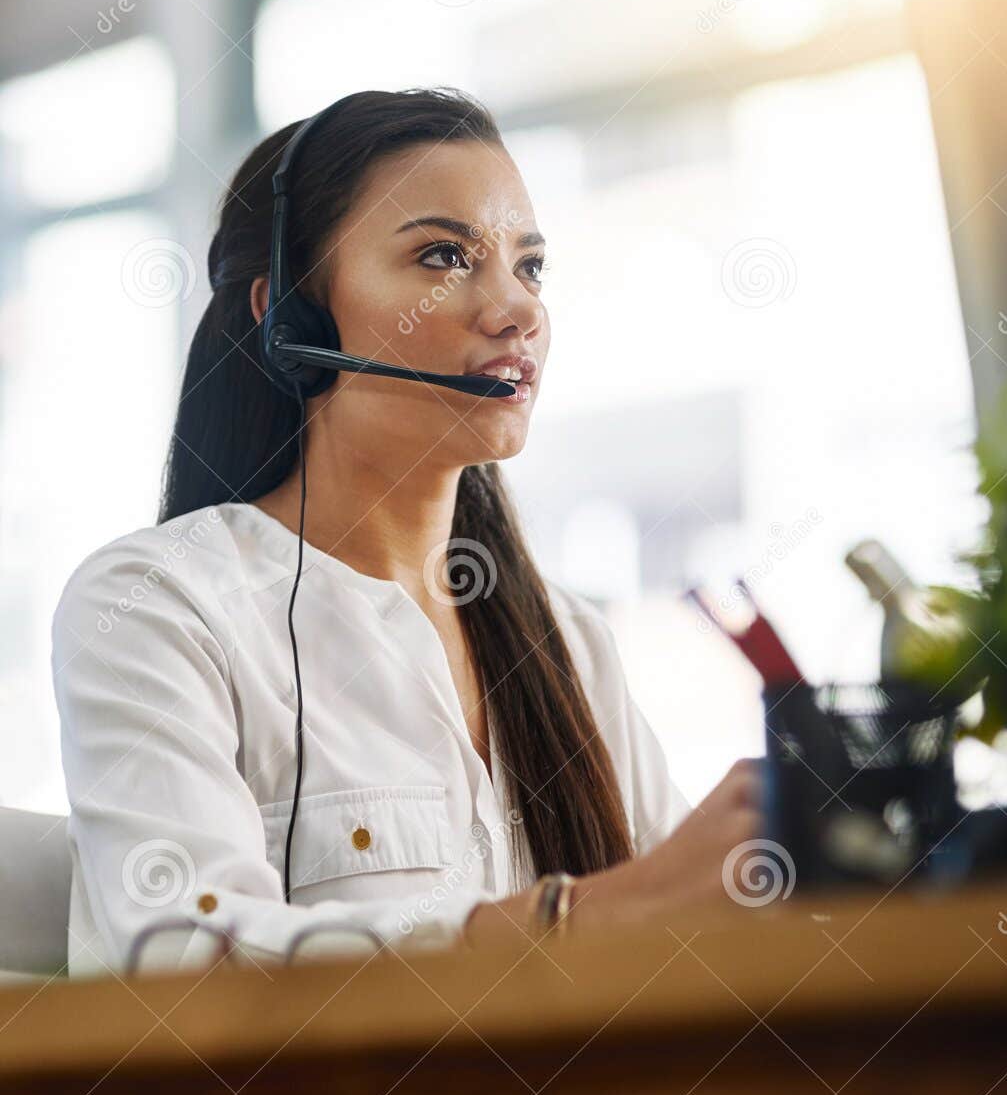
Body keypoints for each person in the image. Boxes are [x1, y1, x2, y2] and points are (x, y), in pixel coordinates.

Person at [52, 88, 762, 975]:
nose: (516, 310)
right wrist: (564, 920)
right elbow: (185, 957)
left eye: (529, 267)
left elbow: (685, 937)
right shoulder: (164, 605)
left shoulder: (569, 643)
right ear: (292, 319)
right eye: (442, 257)